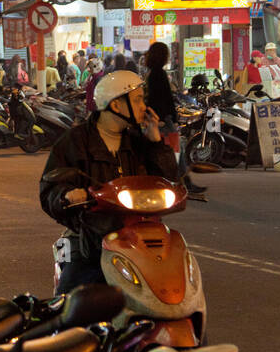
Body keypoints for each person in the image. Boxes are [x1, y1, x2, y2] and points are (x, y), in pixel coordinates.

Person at [39, 68, 179, 291]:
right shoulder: (75, 141)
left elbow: (169, 180)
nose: (145, 107)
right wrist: (67, 196)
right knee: (72, 298)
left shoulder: (140, 142)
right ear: (116, 105)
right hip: (90, 237)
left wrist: (155, 143)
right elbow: (50, 189)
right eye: (138, 100)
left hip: (139, 234)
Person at [144, 41, 206, 202]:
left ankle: (183, 183)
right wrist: (169, 118)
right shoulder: (159, 75)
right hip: (164, 120)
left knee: (175, 151)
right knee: (174, 152)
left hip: (162, 119)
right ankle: (184, 184)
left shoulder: (152, 73)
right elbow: (162, 99)